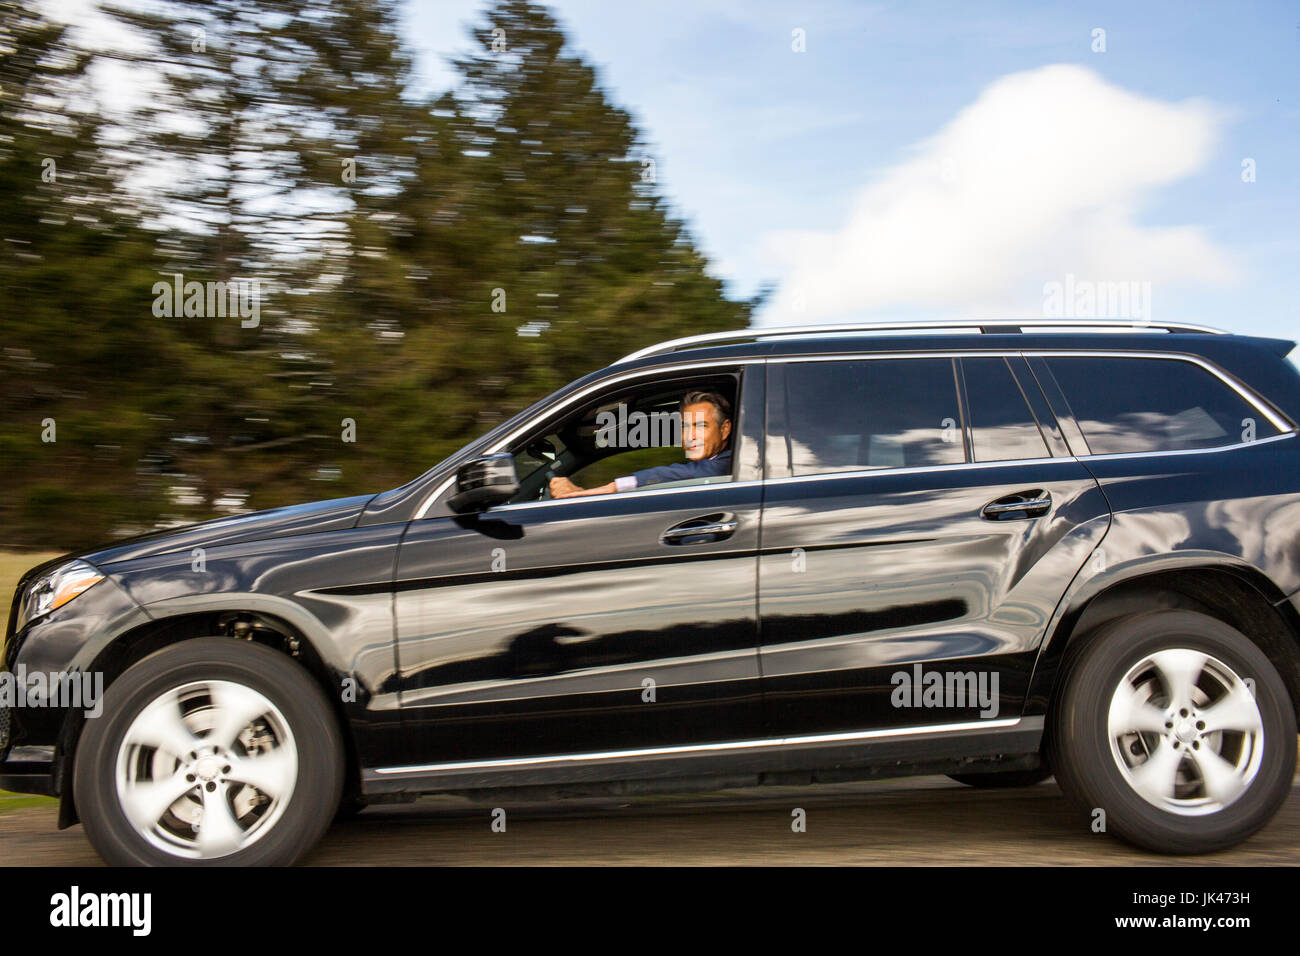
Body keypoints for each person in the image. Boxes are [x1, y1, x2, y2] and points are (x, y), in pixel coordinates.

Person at [548, 390, 732, 498]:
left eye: (701, 426)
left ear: (724, 430)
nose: (690, 436)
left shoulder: (727, 463)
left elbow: (674, 474)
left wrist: (590, 494)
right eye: (684, 426)